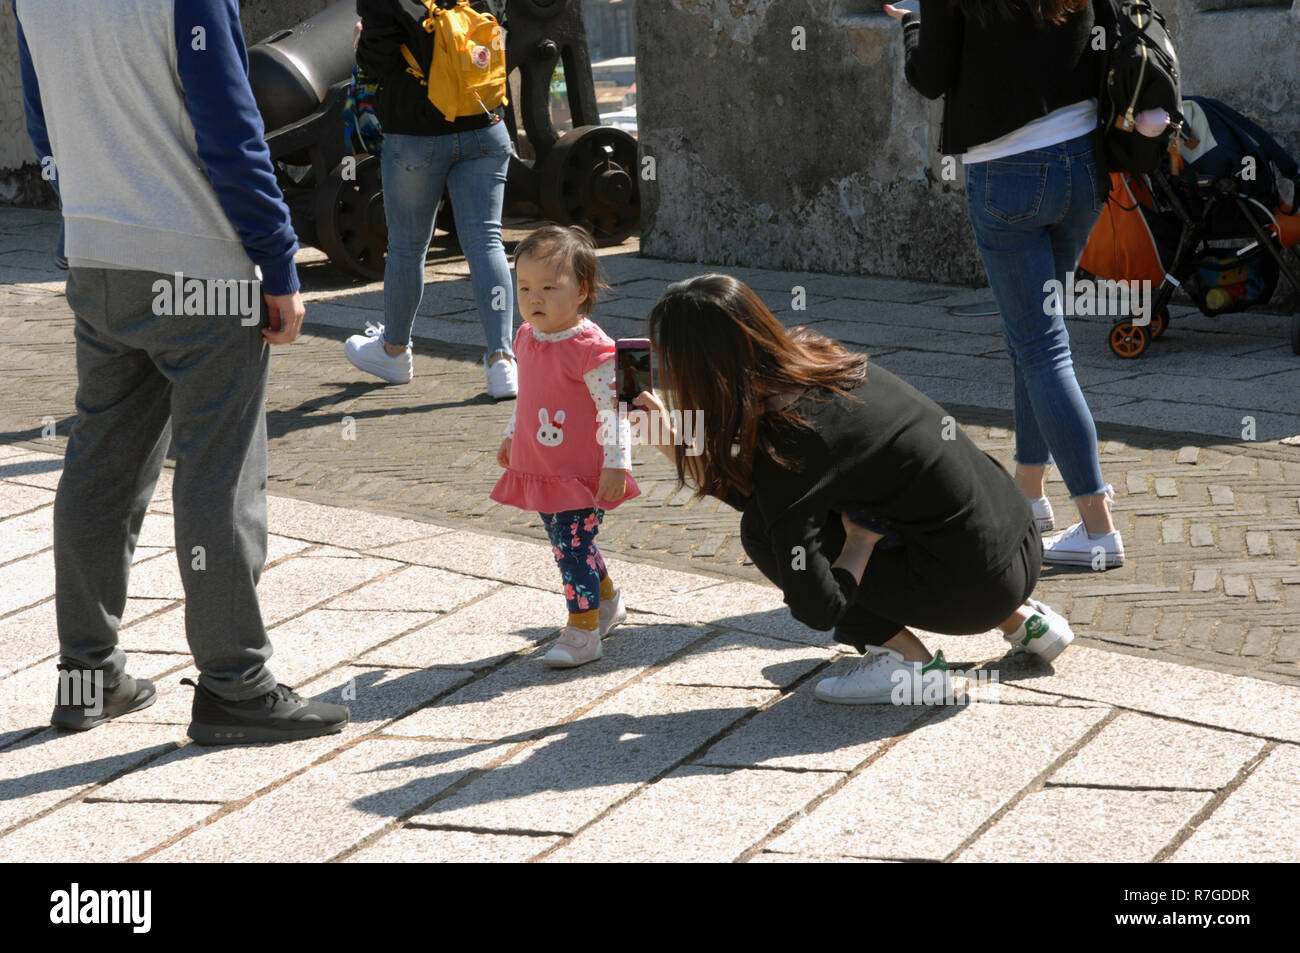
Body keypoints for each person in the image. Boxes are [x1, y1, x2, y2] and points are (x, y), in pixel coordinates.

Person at [17, 0, 348, 743]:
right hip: (201, 265)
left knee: (99, 464)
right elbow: (229, 128)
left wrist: (90, 212)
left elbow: (44, 125)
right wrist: (276, 255)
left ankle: (88, 674)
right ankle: (235, 683)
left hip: (99, 254)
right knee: (218, 473)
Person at [634, 275, 1075, 704]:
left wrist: (858, 549)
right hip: (1018, 542)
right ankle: (1025, 623)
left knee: (761, 532)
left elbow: (818, 605)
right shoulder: (819, 356)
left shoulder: (792, 444)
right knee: (841, 512)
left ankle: (909, 664)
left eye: (673, 364)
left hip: (973, 590)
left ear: (704, 370)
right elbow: (775, 491)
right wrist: (676, 448)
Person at [885, 0, 1124, 569]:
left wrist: (912, 25)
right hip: (1083, 165)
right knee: (1035, 337)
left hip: (1009, 173)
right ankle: (1029, 492)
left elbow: (931, 77)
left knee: (1043, 348)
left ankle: (1098, 529)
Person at [347, 0, 519, 399]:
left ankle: (394, 351)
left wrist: (359, 44)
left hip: (415, 136)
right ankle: (501, 362)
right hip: (485, 126)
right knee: (486, 241)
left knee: (407, 247)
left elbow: (374, 62)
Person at [491, 225, 639, 667]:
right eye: (525, 287)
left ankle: (582, 630)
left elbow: (616, 409)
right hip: (542, 464)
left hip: (581, 470)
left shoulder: (594, 350)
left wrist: (618, 465)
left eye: (549, 287)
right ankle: (608, 602)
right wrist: (511, 436)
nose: (534, 298)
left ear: (582, 291)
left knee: (571, 548)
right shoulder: (525, 337)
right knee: (568, 539)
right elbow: (529, 397)